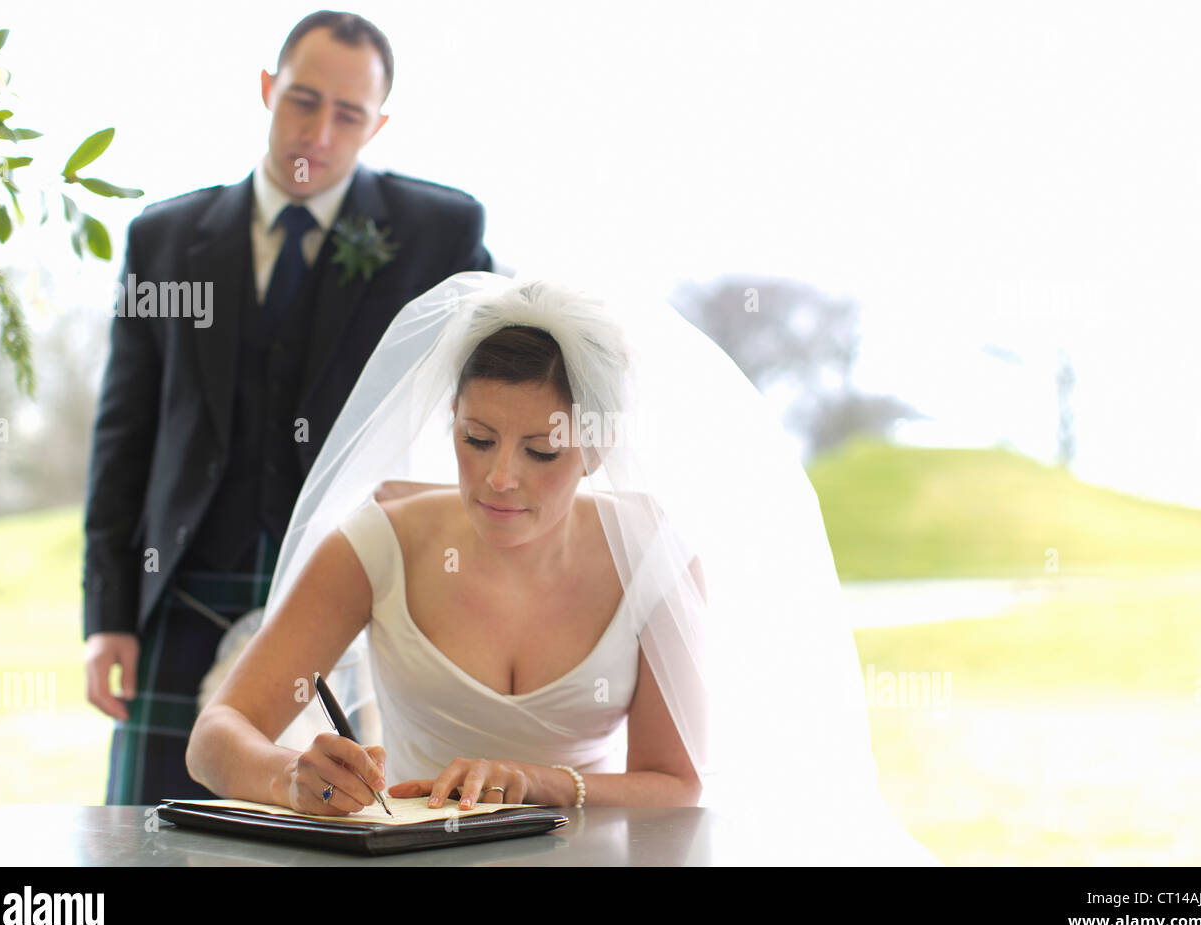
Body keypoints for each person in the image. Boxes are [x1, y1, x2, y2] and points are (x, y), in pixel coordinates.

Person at [186, 273, 939, 863]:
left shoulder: (653, 556)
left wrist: (539, 784)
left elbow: (677, 789)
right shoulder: (378, 541)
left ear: (599, 448)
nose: (499, 478)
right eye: (477, 439)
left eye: (542, 452)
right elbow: (217, 734)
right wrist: (288, 777)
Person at [82, 10, 494, 806]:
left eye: (347, 114)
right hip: (188, 584)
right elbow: (122, 433)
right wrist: (108, 613)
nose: (319, 131)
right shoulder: (164, 240)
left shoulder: (440, 232)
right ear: (268, 90)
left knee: (348, 819)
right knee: (152, 833)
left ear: (378, 125)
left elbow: (474, 402)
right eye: (302, 101)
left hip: (353, 585)